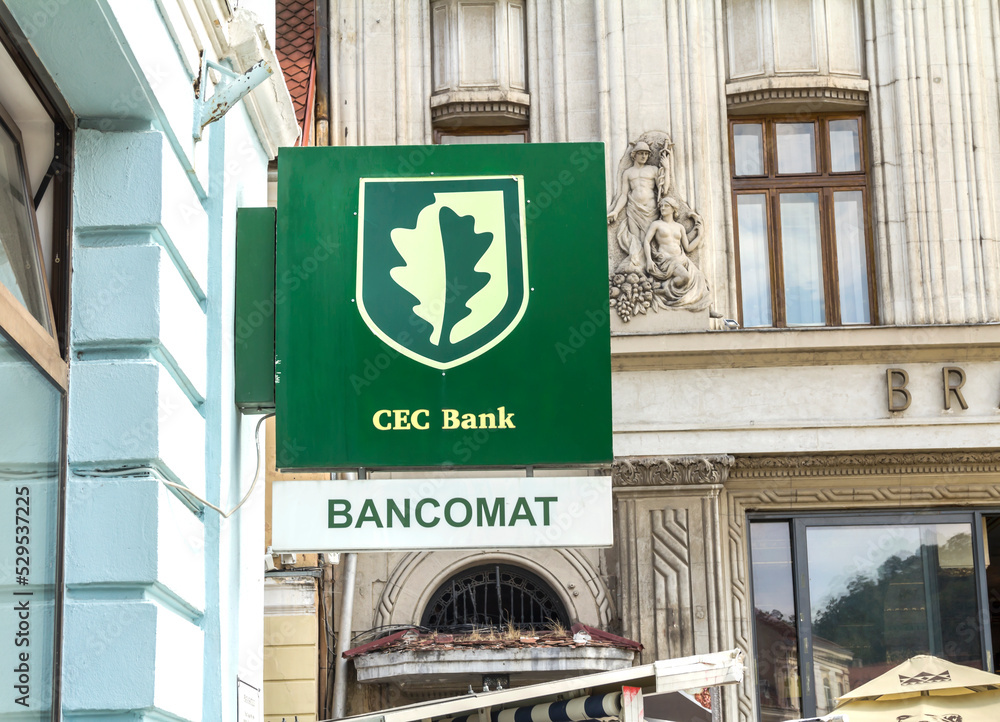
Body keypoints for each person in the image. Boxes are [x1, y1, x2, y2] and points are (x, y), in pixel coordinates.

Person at [641, 196, 710, 310]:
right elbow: (647, 241)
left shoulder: (680, 227)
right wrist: (649, 259)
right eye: (661, 206)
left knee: (700, 276)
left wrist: (699, 235)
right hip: (666, 260)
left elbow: (687, 248)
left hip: (681, 259)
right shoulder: (657, 224)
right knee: (685, 277)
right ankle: (664, 288)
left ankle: (706, 307)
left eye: (666, 206)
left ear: (673, 209)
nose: (662, 208)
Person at [607, 141, 659, 273]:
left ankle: (650, 266)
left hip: (650, 209)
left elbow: (664, 189)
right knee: (636, 239)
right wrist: (616, 211)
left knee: (649, 239)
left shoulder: (653, 169)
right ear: (634, 155)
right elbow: (624, 195)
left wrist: (667, 166)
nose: (644, 156)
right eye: (641, 153)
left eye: (646, 154)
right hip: (633, 209)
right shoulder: (628, 173)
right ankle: (639, 267)